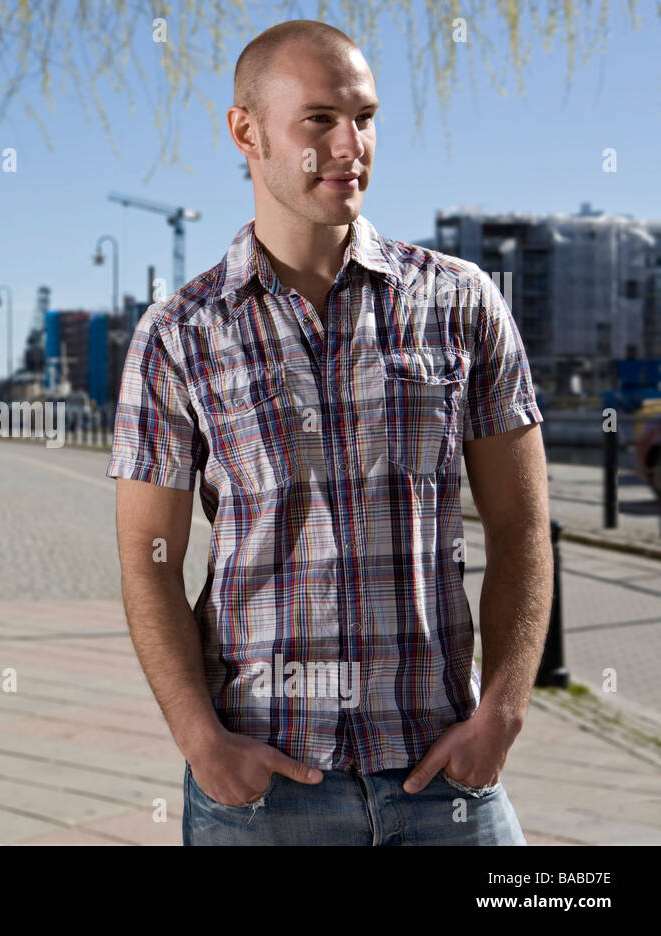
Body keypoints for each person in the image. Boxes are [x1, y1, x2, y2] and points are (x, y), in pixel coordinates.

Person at [106, 19, 552, 845]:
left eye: (367, 117)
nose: (352, 145)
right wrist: (203, 744)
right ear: (245, 131)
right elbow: (148, 558)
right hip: (266, 790)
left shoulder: (460, 304)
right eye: (319, 119)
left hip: (444, 776)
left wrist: (504, 712)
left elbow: (521, 526)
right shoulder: (179, 336)